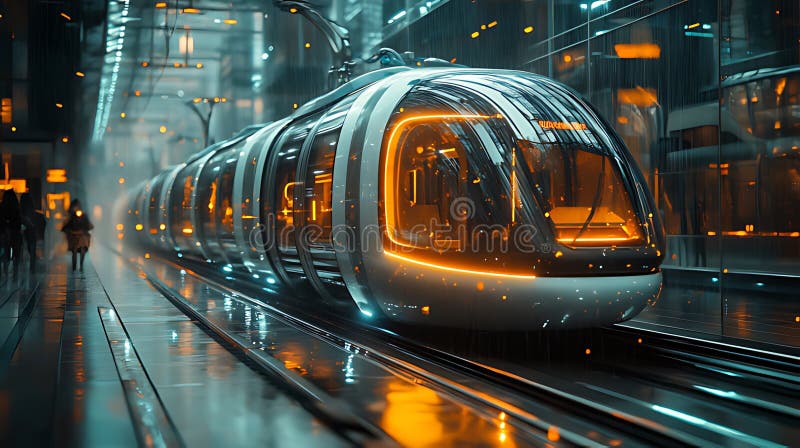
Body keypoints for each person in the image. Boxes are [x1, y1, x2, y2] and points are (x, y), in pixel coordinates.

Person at [61, 199, 93, 271]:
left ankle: (81, 265)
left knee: (83, 248)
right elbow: (67, 224)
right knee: (74, 250)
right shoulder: (72, 216)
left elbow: (88, 224)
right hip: (73, 236)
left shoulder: (84, 215)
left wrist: (86, 229)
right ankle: (74, 266)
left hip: (82, 235)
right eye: (75, 206)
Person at [20, 193, 46, 272]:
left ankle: (22, 267)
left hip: (25, 232)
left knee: (24, 248)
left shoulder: (21, 212)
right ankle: (32, 267)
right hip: (33, 233)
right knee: (32, 248)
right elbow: (43, 224)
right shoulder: (36, 214)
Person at [0, 190, 23, 279]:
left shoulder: (1, 207)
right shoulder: (17, 208)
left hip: (4, 234)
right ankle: (15, 274)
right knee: (16, 254)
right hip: (15, 234)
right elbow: (19, 222)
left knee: (5, 254)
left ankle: (5, 273)